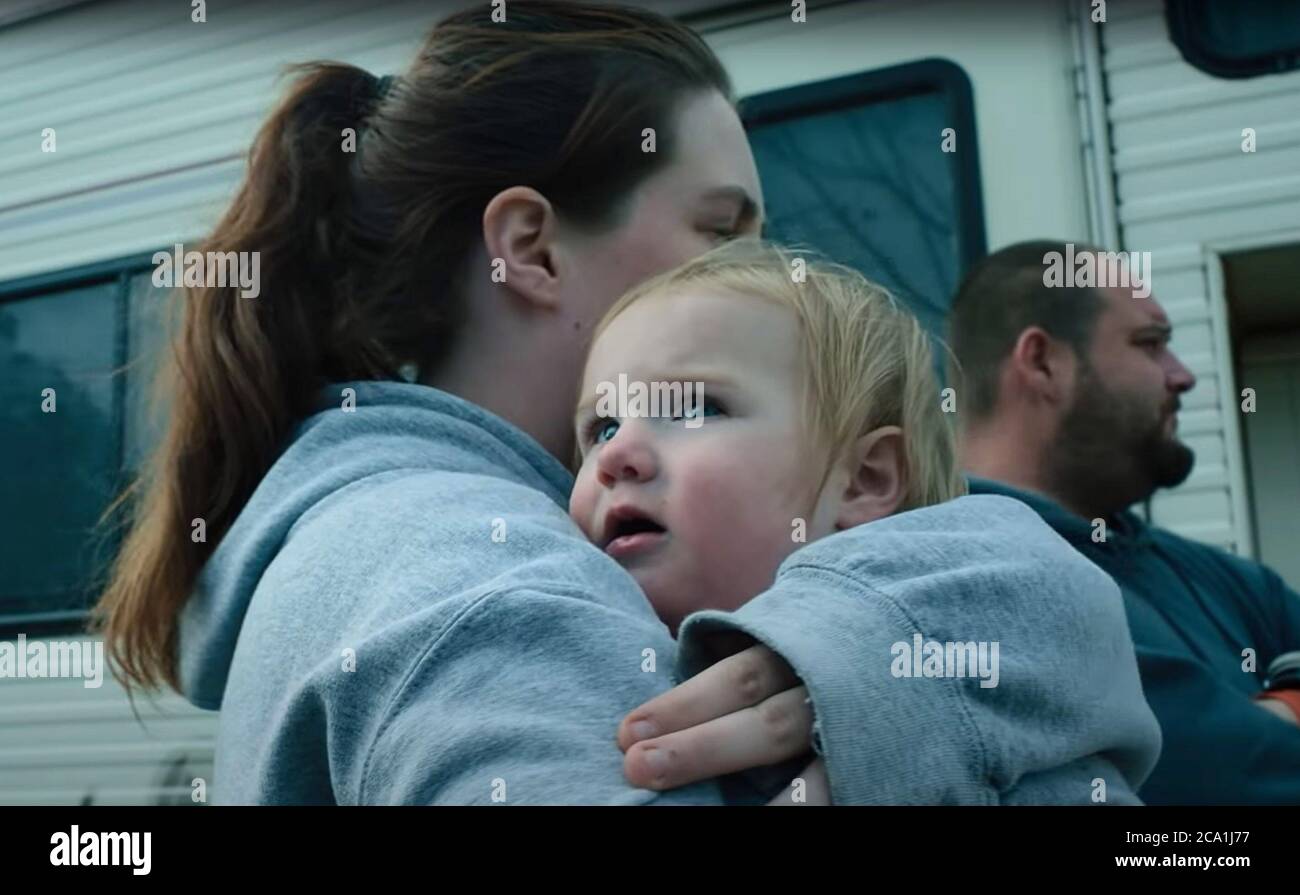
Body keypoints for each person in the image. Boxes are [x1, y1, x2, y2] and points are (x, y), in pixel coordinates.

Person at [94, 3, 1155, 804]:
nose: (768, 275)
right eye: (722, 231)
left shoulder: (409, 536)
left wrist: (917, 652)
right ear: (532, 246)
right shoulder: (484, 581)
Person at [570, 241, 1161, 804]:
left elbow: (1051, 598)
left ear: (865, 480)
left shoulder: (994, 733)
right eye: (602, 427)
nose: (617, 455)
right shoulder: (559, 665)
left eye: (697, 407)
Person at [949, 239, 1300, 804]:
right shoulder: (962, 584)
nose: (1182, 376)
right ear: (1043, 363)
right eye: (1152, 344)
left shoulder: (1227, 581)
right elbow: (1209, 781)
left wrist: (1275, 717)